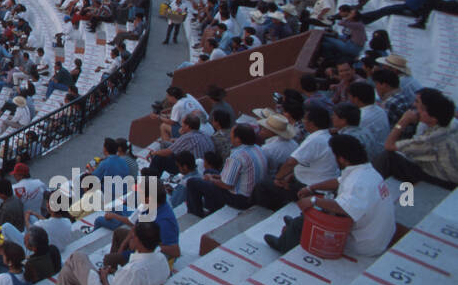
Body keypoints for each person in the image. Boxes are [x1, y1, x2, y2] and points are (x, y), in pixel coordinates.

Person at [264, 135, 397, 255]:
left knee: (316, 209)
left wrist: (313, 200)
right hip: (376, 234)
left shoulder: (358, 182)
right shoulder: (366, 170)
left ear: (342, 159)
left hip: (364, 243)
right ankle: (296, 225)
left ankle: (284, 243)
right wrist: (311, 188)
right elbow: (339, 182)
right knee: (321, 201)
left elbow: (343, 207)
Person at [53, 221, 170, 285]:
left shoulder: (132, 271)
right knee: (68, 272)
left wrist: (104, 278)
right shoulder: (161, 258)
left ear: (138, 241)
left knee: (77, 257)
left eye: (133, 237)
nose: (130, 239)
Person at [381, 88, 458, 188]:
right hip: (451, 171)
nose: (414, 107)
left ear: (433, 117)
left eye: (420, 107)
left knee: (388, 158)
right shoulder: (451, 123)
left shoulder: (430, 140)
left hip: (446, 181)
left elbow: (389, 145)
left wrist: (403, 121)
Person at [184, 123, 265, 216]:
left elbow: (227, 185)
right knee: (210, 171)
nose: (230, 137)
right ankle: (212, 207)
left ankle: (196, 214)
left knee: (192, 182)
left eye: (232, 135)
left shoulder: (237, 156)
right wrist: (215, 177)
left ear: (238, 139)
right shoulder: (258, 148)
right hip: (252, 195)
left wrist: (211, 179)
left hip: (240, 199)